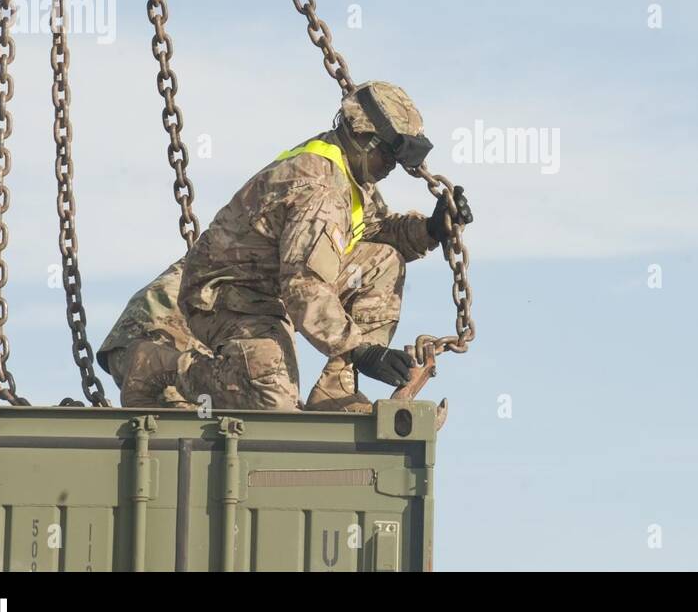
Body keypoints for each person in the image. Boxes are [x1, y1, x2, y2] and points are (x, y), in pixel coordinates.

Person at [95, 81, 471, 413]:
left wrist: (433, 229)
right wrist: (361, 350)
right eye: (387, 155)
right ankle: (161, 367)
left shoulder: (347, 173)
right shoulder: (319, 189)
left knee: (384, 261)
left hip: (269, 287)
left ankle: (335, 391)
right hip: (229, 295)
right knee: (271, 401)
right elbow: (304, 286)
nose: (390, 166)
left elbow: (376, 231)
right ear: (362, 138)